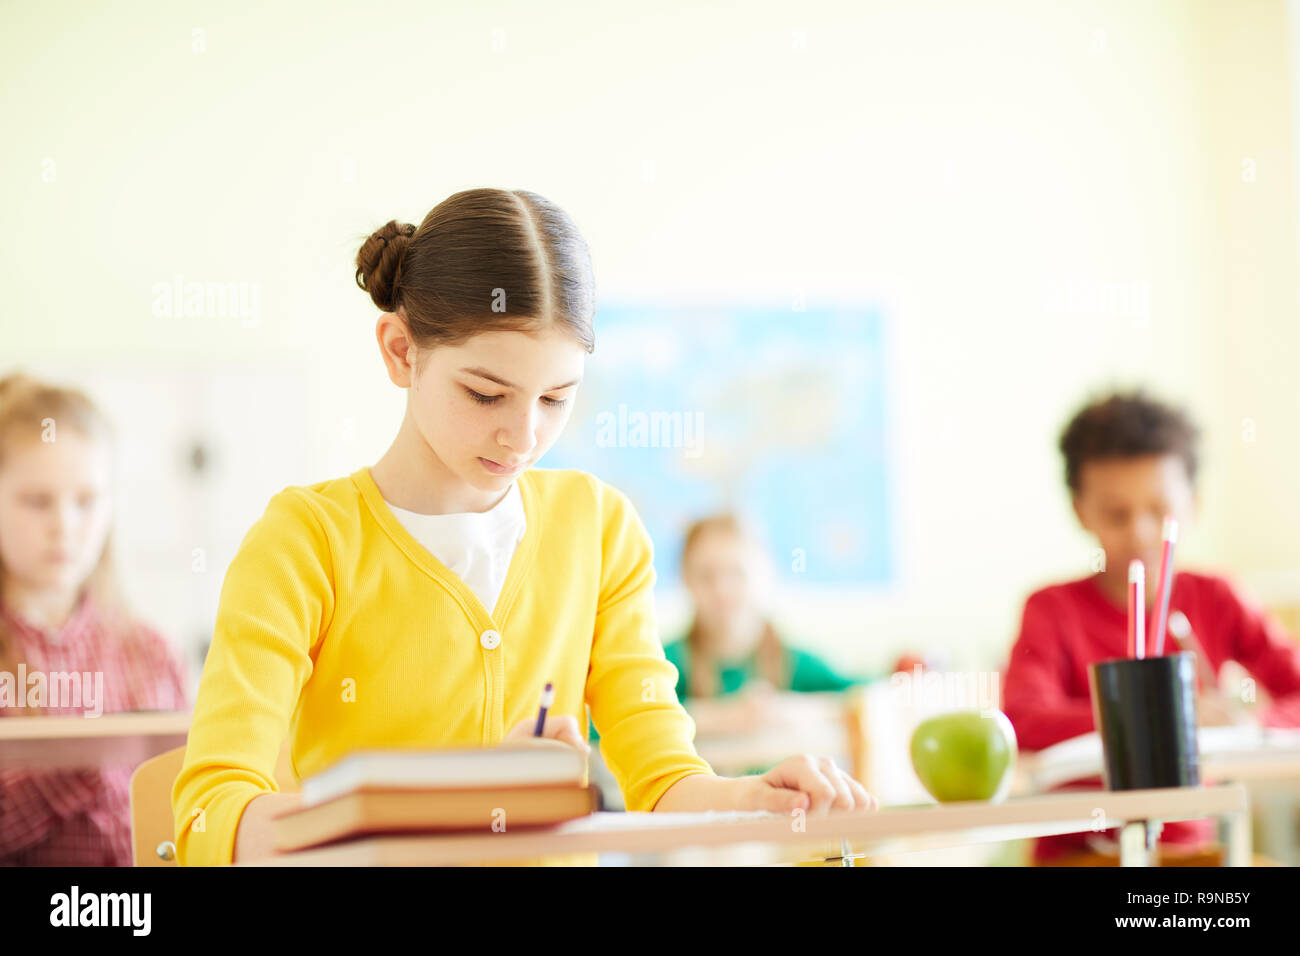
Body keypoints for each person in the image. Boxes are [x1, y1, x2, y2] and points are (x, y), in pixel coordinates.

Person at [172, 188, 875, 866]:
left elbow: (662, 783)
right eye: (485, 393)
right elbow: (212, 813)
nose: (522, 435)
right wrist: (471, 801)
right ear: (400, 351)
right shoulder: (306, 541)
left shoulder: (597, 529)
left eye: (555, 398)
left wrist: (757, 798)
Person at [1003, 390, 1300, 865]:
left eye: (1159, 511)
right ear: (1081, 511)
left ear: (1194, 504)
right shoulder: (1051, 610)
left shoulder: (1218, 597)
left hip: (1192, 853)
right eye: (1116, 514)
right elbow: (1022, 719)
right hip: (1077, 855)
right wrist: (1167, 717)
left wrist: (1247, 724)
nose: (1140, 532)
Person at [0, 373, 189, 865]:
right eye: (37, 501)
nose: (64, 525)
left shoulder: (148, 650)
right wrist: (85, 763)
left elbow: (189, 804)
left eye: (86, 501)